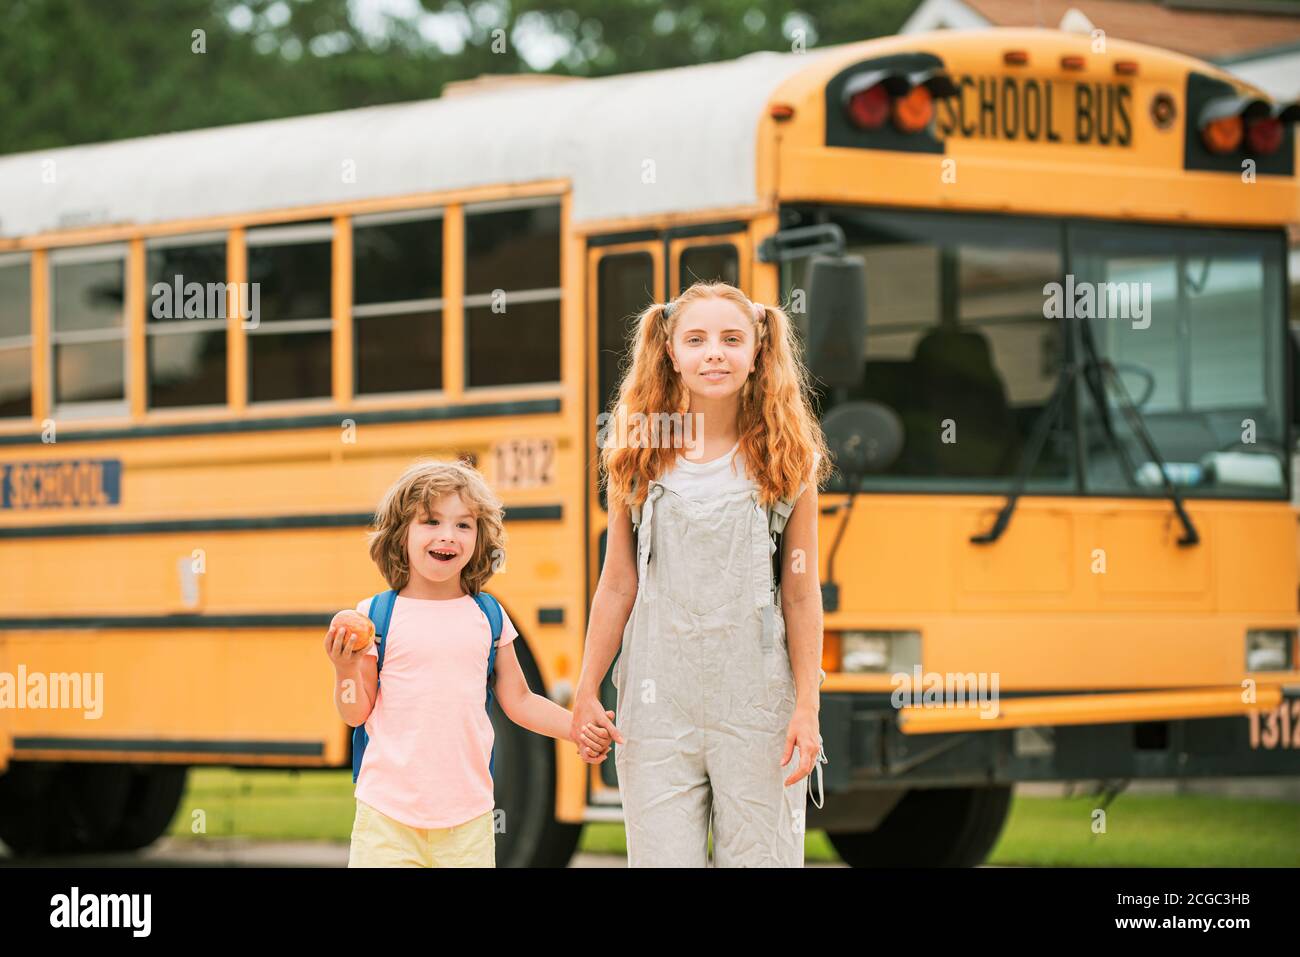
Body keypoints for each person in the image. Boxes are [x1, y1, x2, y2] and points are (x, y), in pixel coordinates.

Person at [571, 281, 833, 867]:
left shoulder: (788, 458)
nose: (714, 353)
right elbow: (616, 583)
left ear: (759, 348)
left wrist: (807, 707)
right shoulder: (637, 450)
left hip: (759, 703)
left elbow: (799, 590)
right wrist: (587, 688)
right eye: (697, 339)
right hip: (657, 702)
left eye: (731, 339)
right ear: (670, 350)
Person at [326, 458, 610, 867]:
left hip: (469, 822)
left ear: (480, 537)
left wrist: (577, 729)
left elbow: (521, 701)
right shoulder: (377, 616)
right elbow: (357, 713)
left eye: (464, 525)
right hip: (387, 817)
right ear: (400, 533)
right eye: (431, 522)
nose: (449, 536)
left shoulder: (488, 617)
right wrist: (345, 669)